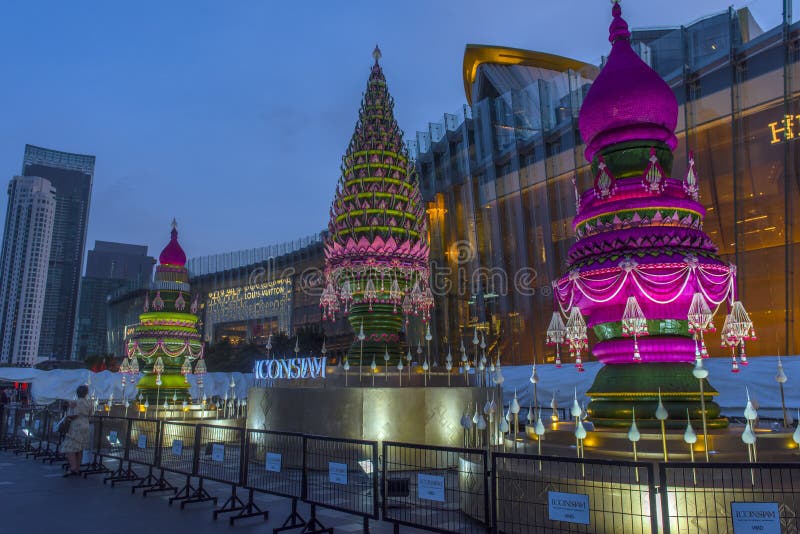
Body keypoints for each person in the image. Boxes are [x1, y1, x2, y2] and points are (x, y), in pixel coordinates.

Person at [60, 385, 92, 477]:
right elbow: (91, 414)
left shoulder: (75, 402)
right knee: (79, 447)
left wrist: (68, 416)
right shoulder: (89, 402)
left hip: (76, 425)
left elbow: (74, 414)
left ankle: (73, 467)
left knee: (70, 446)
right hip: (85, 424)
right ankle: (77, 467)